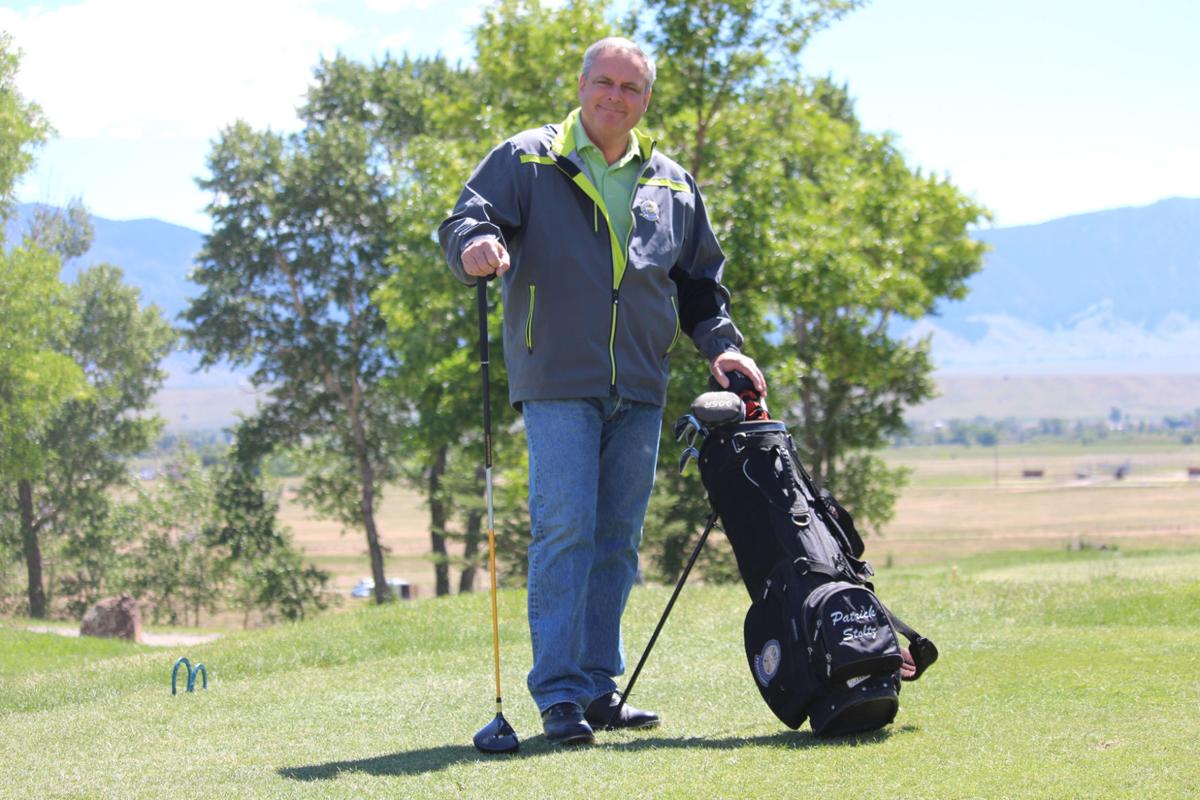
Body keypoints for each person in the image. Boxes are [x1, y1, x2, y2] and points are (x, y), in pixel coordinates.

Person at [439, 36, 766, 746]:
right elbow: (466, 219)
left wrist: (725, 348)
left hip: (640, 385)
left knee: (617, 539)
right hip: (555, 377)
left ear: (646, 100)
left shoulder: (671, 182)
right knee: (565, 529)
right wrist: (474, 247)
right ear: (582, 84)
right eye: (605, 82)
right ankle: (557, 695)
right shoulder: (527, 158)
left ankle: (597, 688)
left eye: (632, 88)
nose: (615, 96)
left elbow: (700, 289)